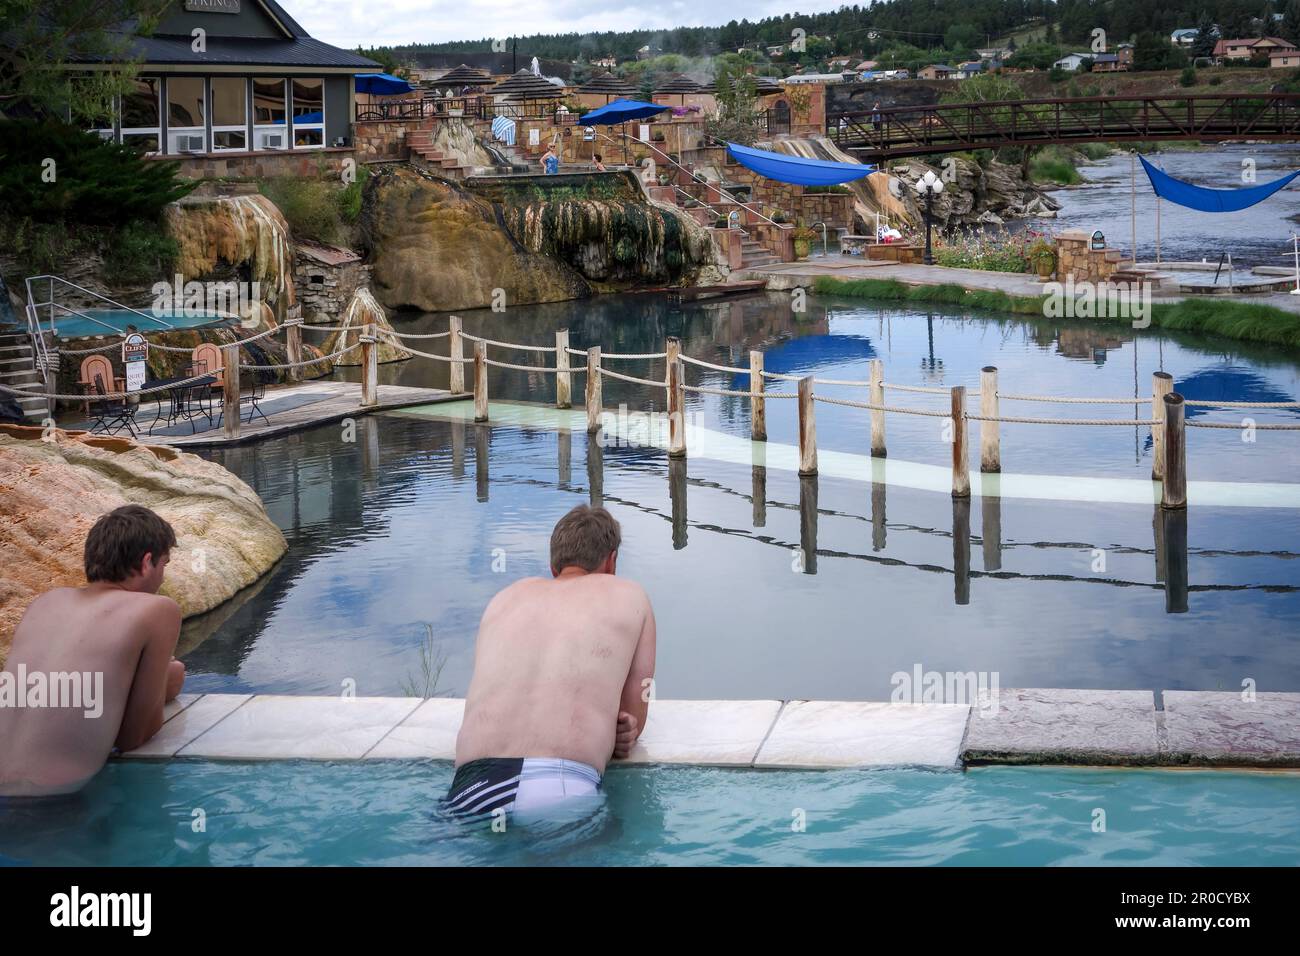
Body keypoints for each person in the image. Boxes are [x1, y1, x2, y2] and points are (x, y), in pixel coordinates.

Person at [444, 505, 656, 820]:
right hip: (560, 786)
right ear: (611, 561)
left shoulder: (503, 600)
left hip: (472, 786)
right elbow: (631, 718)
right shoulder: (629, 596)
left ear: (553, 565)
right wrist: (623, 730)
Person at [0, 505, 186, 796]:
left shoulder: (46, 603)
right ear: (147, 561)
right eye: (165, 564)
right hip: (55, 799)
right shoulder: (157, 609)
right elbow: (133, 736)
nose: (162, 577)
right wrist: (168, 675)